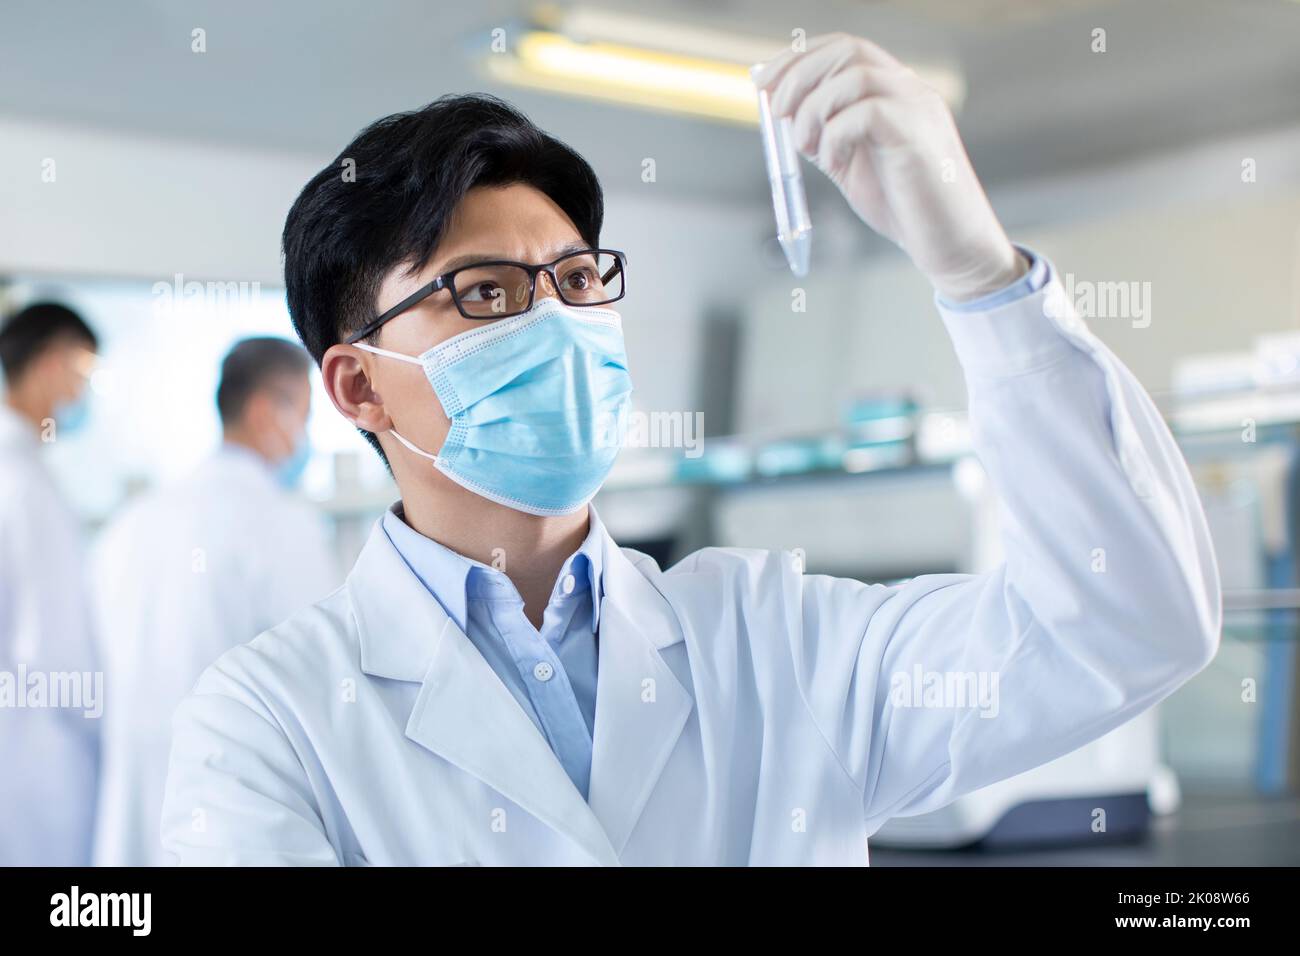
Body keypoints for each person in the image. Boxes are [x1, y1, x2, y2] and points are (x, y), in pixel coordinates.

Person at [161, 33, 1221, 865]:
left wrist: (978, 271)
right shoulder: (270, 720)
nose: (559, 326)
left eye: (576, 281)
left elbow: (1127, 627)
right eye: (485, 293)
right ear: (357, 384)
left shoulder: (780, 643)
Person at [93, 337, 339, 866]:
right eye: (302, 412)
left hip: (133, 803)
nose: (305, 436)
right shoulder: (280, 522)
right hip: (235, 807)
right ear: (262, 411)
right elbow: (322, 679)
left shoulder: (134, 521)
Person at [0, 302, 101, 866]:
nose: (85, 393)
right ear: (48, 365)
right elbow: (56, 654)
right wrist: (105, 729)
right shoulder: (27, 487)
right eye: (82, 373)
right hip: (38, 760)